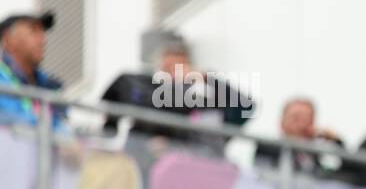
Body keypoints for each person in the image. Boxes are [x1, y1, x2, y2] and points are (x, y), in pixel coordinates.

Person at [101, 41, 255, 144]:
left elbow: (245, 107)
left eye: (179, 68)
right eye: (167, 69)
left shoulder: (206, 103)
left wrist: (207, 77)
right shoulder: (149, 101)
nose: (173, 75)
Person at [0, 10, 66, 129]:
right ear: (7, 39)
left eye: (42, 32)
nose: (43, 40)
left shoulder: (51, 86)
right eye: (33, 31)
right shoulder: (2, 79)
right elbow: (13, 123)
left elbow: (62, 128)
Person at [253, 97, 344, 173]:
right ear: (282, 123)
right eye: (296, 118)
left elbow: (345, 175)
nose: (302, 125)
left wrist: (336, 141)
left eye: (308, 120)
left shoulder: (316, 156)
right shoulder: (268, 148)